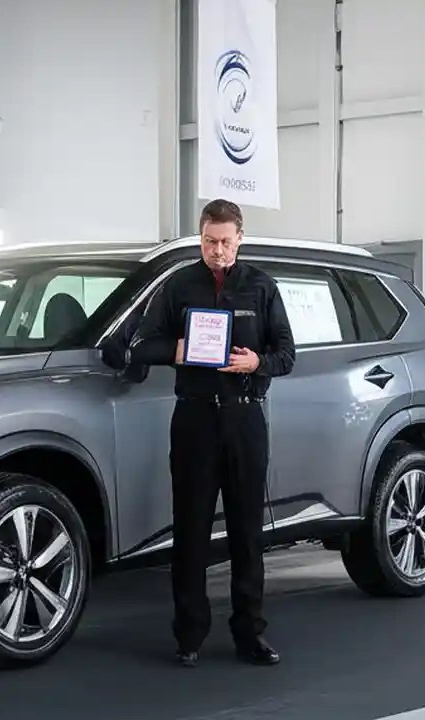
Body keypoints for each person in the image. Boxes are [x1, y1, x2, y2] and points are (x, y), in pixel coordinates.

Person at [128, 198, 296, 667]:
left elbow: (287, 353)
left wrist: (257, 362)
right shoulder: (179, 285)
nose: (217, 250)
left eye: (224, 241)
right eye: (208, 241)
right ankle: (189, 636)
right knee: (191, 530)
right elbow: (142, 345)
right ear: (199, 238)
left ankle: (250, 634)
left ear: (240, 238)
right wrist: (177, 351)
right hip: (195, 420)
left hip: (245, 419)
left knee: (247, 533)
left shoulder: (261, 287)